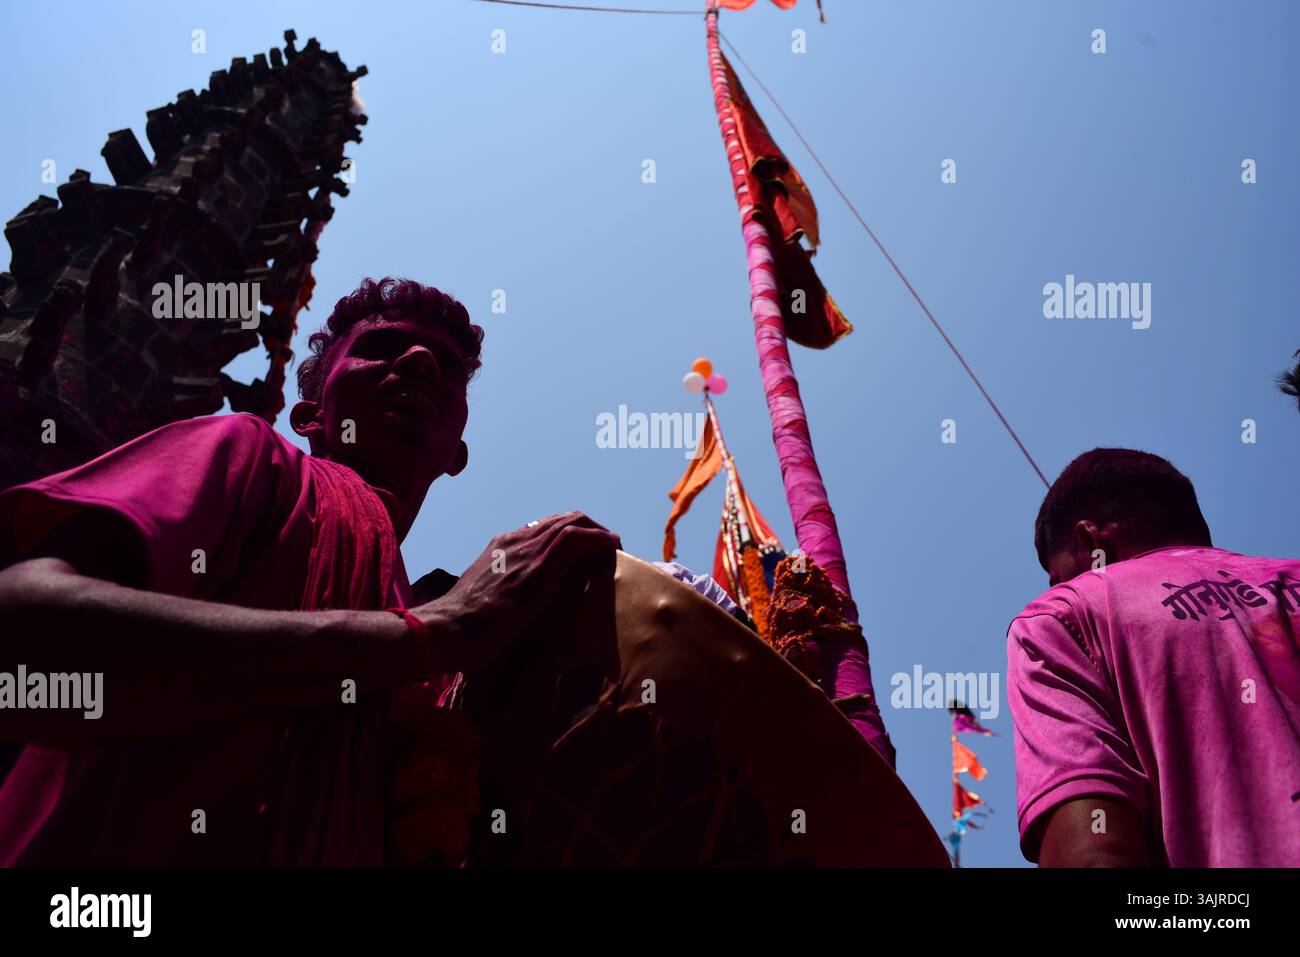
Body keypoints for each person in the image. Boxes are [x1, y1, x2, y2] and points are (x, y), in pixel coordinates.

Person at [0, 276, 634, 865]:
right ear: (310, 418)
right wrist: (438, 631)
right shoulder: (248, 458)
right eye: (383, 347)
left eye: (446, 368)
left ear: (457, 452)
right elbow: (25, 637)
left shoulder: (442, 669)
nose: (419, 364)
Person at [1006, 448, 1300, 867]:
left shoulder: (1060, 618)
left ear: (1090, 542)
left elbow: (1093, 851)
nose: (1058, 587)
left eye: (1058, 575)